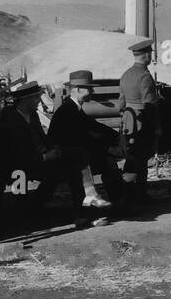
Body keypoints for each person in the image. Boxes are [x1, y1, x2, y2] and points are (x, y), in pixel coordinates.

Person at [0, 80, 112, 221]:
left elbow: (42, 137)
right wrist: (45, 157)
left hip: (38, 158)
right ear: (25, 100)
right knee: (21, 179)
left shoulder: (33, 115)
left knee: (76, 158)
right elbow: (15, 152)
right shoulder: (10, 119)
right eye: (36, 98)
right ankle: (26, 209)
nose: (38, 101)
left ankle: (83, 207)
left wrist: (54, 148)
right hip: (18, 165)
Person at [46, 71, 124, 207]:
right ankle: (118, 204)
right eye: (89, 88)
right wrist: (109, 148)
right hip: (67, 158)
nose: (92, 91)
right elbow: (83, 139)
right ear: (77, 90)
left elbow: (95, 127)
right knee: (108, 161)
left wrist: (117, 137)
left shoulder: (74, 107)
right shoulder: (68, 111)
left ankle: (119, 202)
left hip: (77, 155)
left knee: (108, 161)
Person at [116, 37, 160, 203]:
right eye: (150, 53)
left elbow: (121, 102)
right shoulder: (145, 77)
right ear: (146, 55)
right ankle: (139, 194)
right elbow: (150, 105)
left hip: (128, 121)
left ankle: (135, 193)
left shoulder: (125, 75)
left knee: (133, 156)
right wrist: (156, 127)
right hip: (142, 122)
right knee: (141, 158)